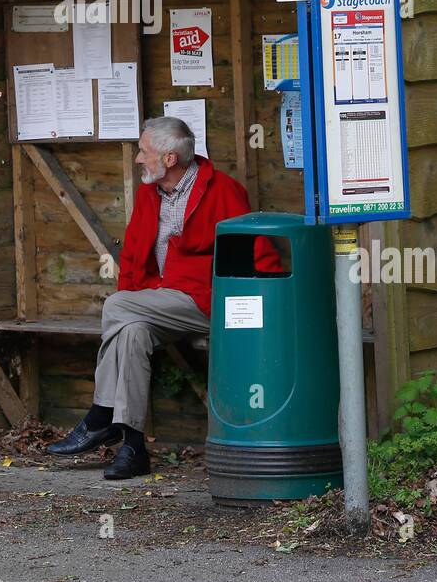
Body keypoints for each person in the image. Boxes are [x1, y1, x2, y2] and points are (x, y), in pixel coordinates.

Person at [46, 115, 282, 479]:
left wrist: (265, 313)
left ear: (169, 159)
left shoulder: (223, 191)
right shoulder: (148, 194)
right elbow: (132, 254)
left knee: (116, 306)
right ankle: (133, 446)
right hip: (156, 300)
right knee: (131, 332)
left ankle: (99, 414)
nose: (139, 159)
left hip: (204, 302)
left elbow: (259, 251)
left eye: (144, 152)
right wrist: (133, 296)